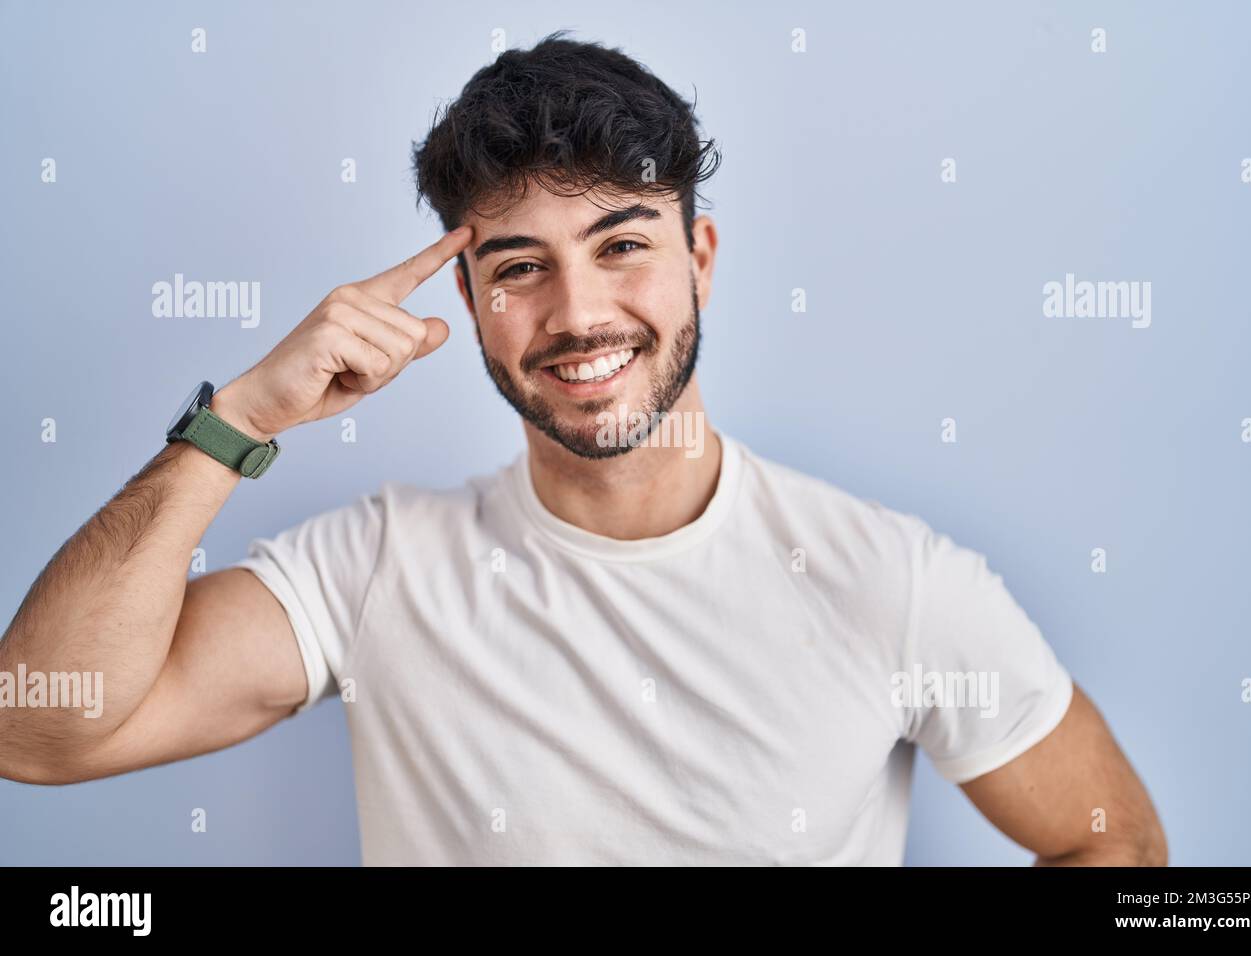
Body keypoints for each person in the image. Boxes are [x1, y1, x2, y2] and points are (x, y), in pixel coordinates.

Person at [0, 34, 1166, 866]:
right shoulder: (371, 570)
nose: (576, 313)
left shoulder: (891, 579)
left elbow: (1109, 840)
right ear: (467, 293)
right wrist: (238, 418)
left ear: (700, 256)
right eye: (519, 266)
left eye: (621, 245)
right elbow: (36, 731)